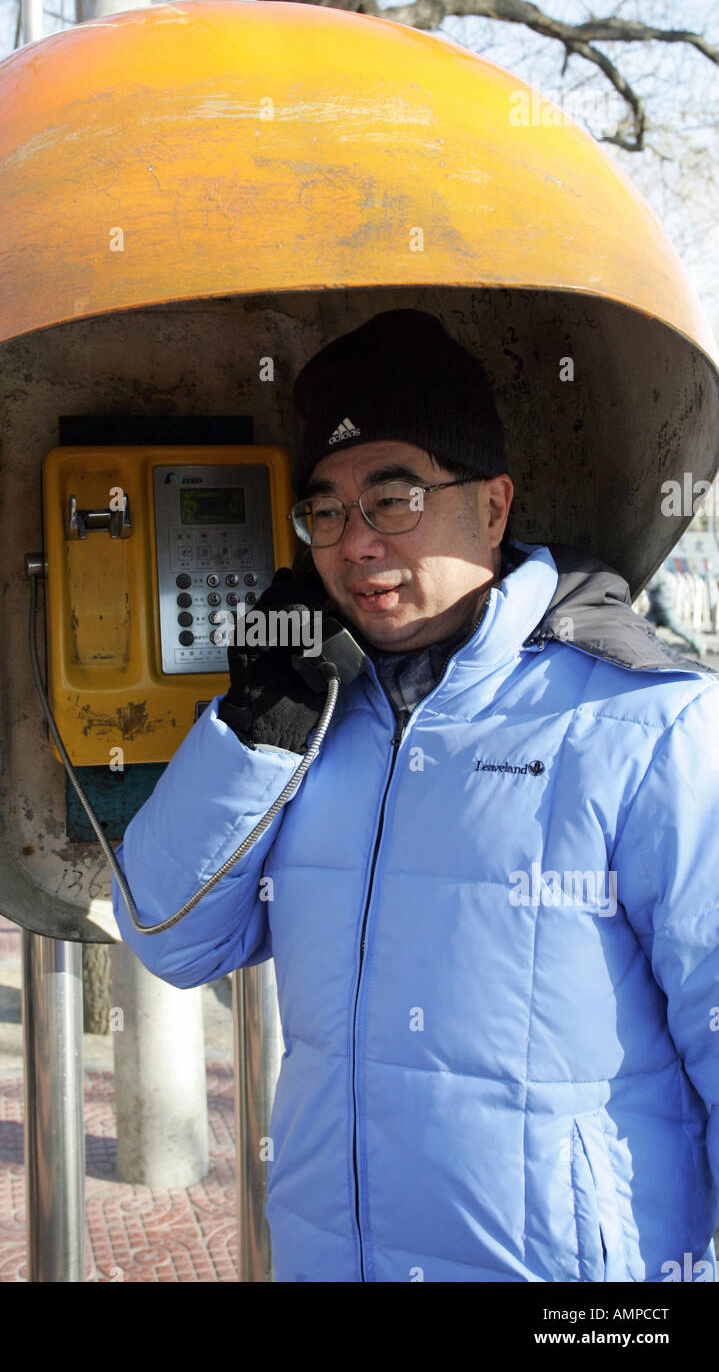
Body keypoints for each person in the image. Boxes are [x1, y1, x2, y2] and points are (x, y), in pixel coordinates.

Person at [112, 308, 719, 1283]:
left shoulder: (648, 725)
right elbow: (168, 936)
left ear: (491, 505)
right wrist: (254, 728)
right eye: (326, 511)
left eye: (393, 499)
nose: (356, 543)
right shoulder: (306, 717)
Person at [646, 560, 707, 659]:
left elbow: (650, 585)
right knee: (644, 627)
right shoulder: (660, 570)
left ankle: (698, 642)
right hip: (657, 607)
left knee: (677, 628)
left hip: (663, 608)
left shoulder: (659, 571)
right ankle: (644, 648)